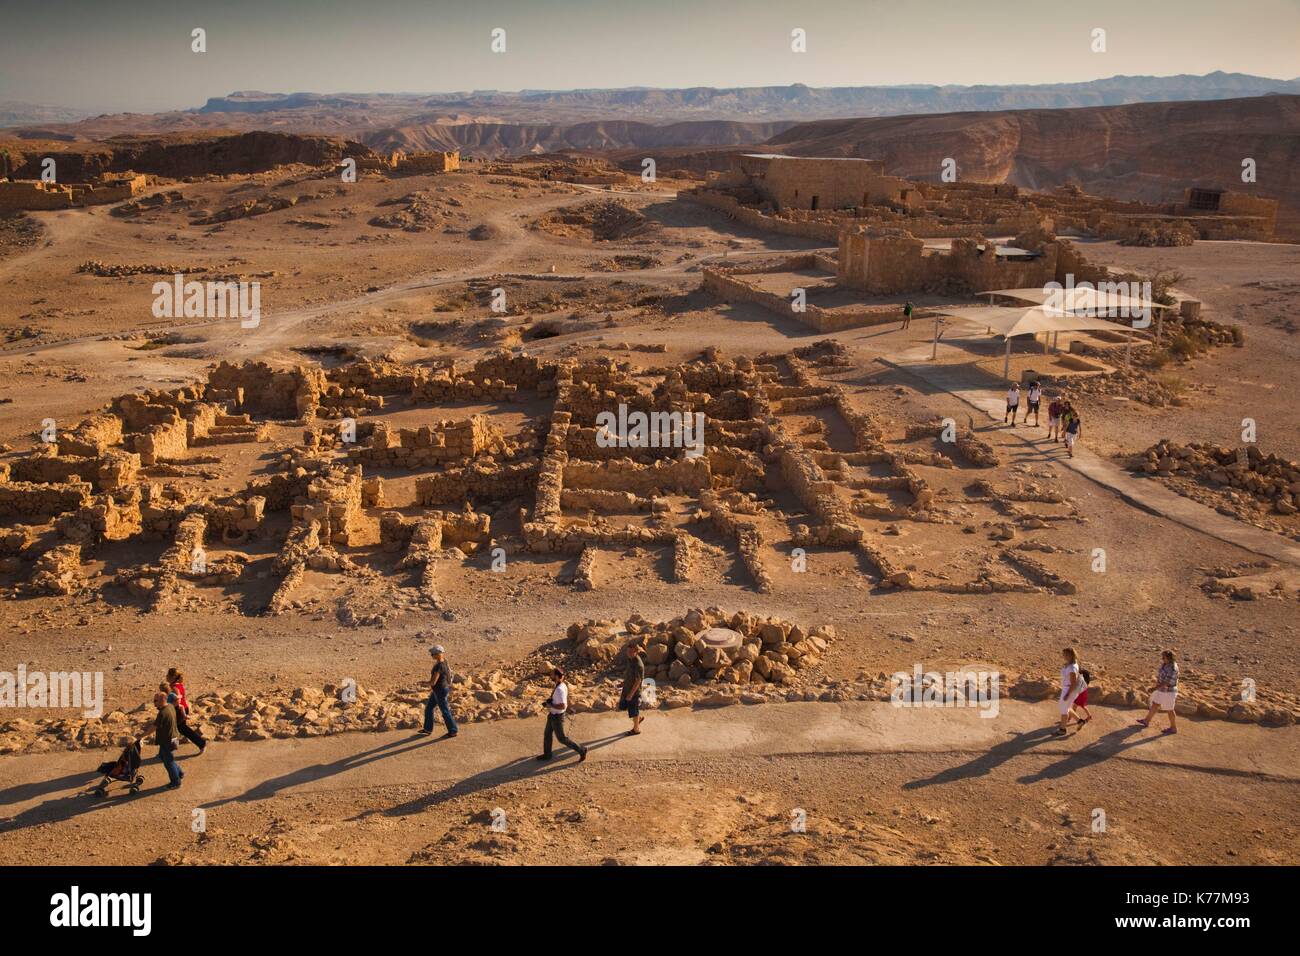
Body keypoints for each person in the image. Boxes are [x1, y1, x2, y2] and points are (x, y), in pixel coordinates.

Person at [537, 667, 587, 762]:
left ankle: (582, 750)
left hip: (557, 717)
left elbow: (562, 706)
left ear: (556, 676)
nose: (550, 676)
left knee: (562, 739)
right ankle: (547, 754)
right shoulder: (561, 685)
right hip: (552, 715)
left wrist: (550, 705)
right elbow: (565, 700)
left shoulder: (560, 689)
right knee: (547, 734)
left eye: (552, 674)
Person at [419, 645, 458, 738]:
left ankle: (453, 731)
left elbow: (433, 682)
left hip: (440, 691)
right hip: (440, 690)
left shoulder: (439, 666)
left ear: (438, 654)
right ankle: (427, 729)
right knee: (429, 708)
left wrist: (423, 683)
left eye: (433, 653)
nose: (431, 655)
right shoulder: (444, 662)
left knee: (445, 711)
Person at [1137, 650, 1179, 735]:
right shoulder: (1165, 664)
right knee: (1155, 704)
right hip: (1162, 690)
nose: (1162, 659)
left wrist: (1154, 688)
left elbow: (1166, 682)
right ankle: (1146, 721)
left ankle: (1173, 728)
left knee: (1170, 710)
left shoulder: (1172, 668)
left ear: (1169, 658)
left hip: (1169, 691)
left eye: (1164, 657)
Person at [165, 668, 205, 753]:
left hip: (178, 710)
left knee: (180, 729)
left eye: (168, 675)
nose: (166, 677)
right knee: (177, 729)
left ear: (172, 677)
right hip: (183, 708)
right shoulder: (179, 684)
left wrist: (169, 706)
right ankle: (171, 749)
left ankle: (201, 743)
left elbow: (178, 700)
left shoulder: (173, 686)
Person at [153, 692, 184, 789]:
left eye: (155, 701)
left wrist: (142, 735)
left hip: (167, 741)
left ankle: (176, 782)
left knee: (168, 762)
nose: (154, 703)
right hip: (174, 737)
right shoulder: (170, 706)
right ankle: (179, 772)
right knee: (163, 756)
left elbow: (153, 727)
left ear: (162, 700)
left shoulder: (162, 713)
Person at [1054, 647, 1085, 736]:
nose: (1064, 656)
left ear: (1071, 655)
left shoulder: (1072, 668)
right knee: (1065, 707)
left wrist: (1067, 694)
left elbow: (1073, 683)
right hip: (1067, 689)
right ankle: (1080, 721)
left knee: (1063, 710)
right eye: (1064, 654)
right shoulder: (1069, 664)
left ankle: (1062, 730)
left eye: (1066, 655)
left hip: (1069, 690)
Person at [618, 640, 645, 736]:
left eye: (631, 652)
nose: (628, 653)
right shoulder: (630, 660)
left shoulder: (638, 664)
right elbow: (630, 675)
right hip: (627, 688)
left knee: (633, 710)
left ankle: (636, 729)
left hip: (634, 692)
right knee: (626, 707)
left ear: (636, 652)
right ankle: (638, 719)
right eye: (627, 651)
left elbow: (638, 681)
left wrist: (630, 694)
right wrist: (623, 683)